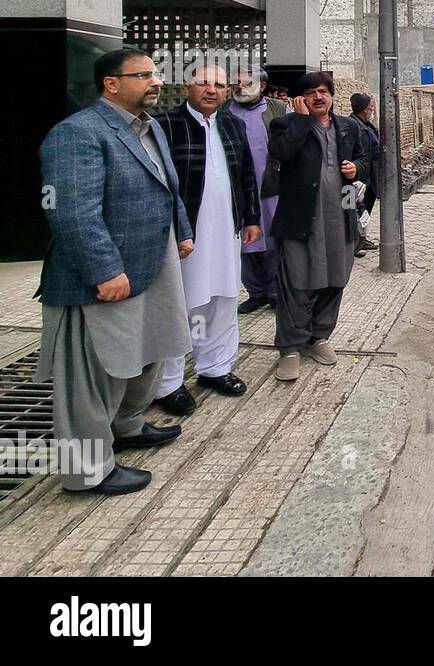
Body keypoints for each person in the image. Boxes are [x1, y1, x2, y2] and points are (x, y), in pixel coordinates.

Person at [36, 49, 195, 495]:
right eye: (143, 75)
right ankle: (87, 472)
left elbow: (168, 188)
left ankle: (126, 426)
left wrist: (182, 231)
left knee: (147, 351)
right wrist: (105, 270)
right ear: (110, 83)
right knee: (90, 378)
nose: (156, 81)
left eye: (156, 74)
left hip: (153, 265)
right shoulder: (77, 134)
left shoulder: (149, 128)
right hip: (103, 278)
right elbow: (71, 213)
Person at [153, 64, 262, 416]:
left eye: (218, 84)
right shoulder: (166, 125)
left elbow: (247, 174)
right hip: (185, 234)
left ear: (227, 91)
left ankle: (215, 367)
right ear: (188, 86)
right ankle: (167, 384)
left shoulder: (233, 124)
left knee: (224, 297)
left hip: (228, 229)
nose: (211, 89)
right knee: (182, 304)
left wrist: (253, 219)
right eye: (203, 83)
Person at [268, 73, 369, 382]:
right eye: (310, 93)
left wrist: (356, 168)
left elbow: (365, 158)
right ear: (299, 99)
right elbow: (281, 153)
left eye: (323, 91)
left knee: (335, 278)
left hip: (341, 214)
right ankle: (290, 348)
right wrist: (299, 121)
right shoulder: (284, 125)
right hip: (300, 219)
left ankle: (318, 337)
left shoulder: (348, 127)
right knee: (297, 283)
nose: (318, 97)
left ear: (332, 96)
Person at [224, 68, 287, 314]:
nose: (240, 87)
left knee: (272, 238)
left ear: (262, 86)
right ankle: (255, 292)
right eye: (236, 82)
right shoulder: (224, 111)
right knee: (244, 242)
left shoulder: (279, 110)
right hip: (237, 190)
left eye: (247, 82)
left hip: (271, 188)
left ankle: (274, 291)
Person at [349, 92, 382, 257]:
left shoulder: (366, 125)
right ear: (363, 109)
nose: (372, 110)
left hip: (370, 175)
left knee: (365, 209)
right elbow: (359, 154)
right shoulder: (355, 126)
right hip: (360, 177)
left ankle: (361, 239)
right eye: (370, 107)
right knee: (355, 209)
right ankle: (353, 244)